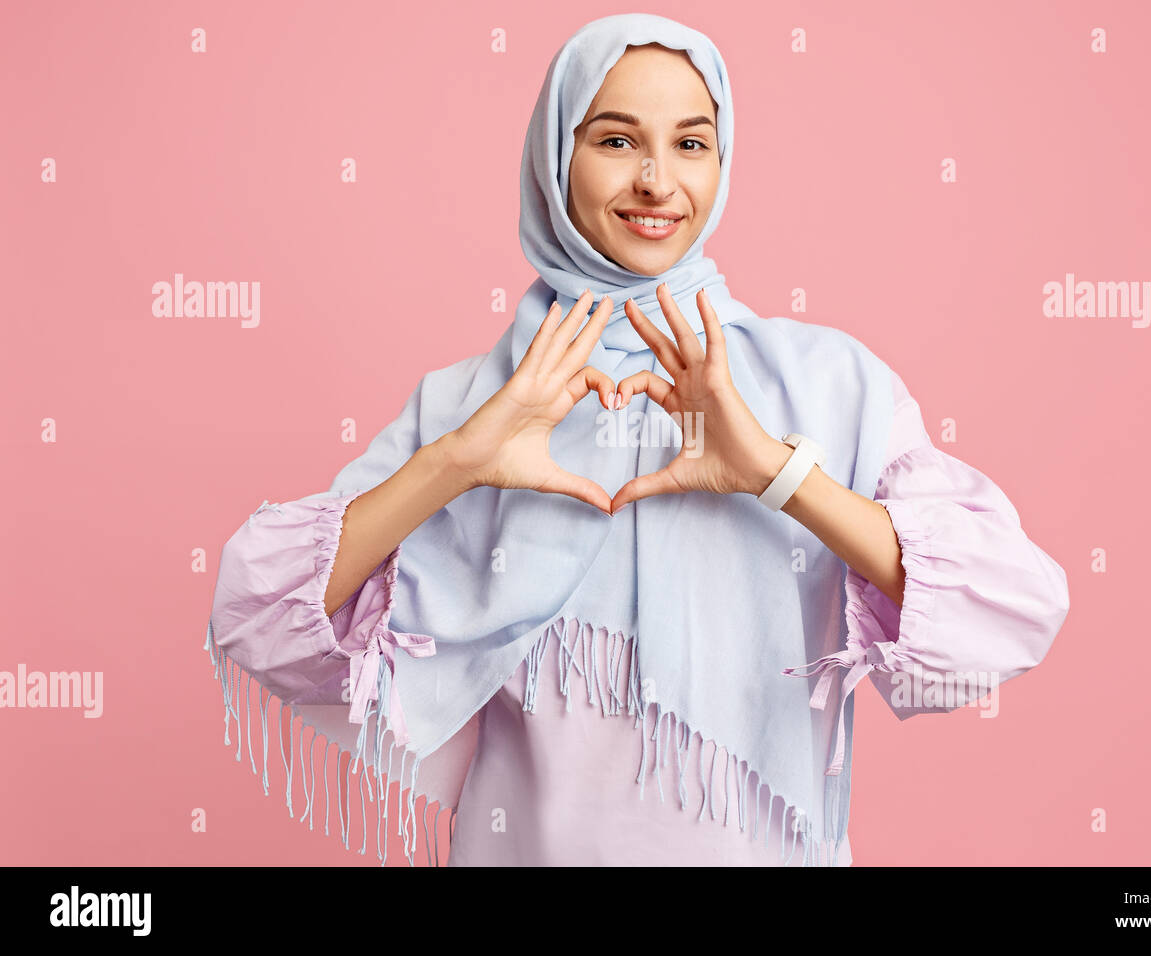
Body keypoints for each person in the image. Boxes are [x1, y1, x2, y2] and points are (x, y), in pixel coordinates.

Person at [204, 13, 1069, 867]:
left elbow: (1006, 615)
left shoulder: (828, 384)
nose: (657, 181)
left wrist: (773, 470)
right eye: (617, 141)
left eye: (691, 145)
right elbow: (262, 615)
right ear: (556, 157)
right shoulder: (474, 402)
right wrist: (460, 462)